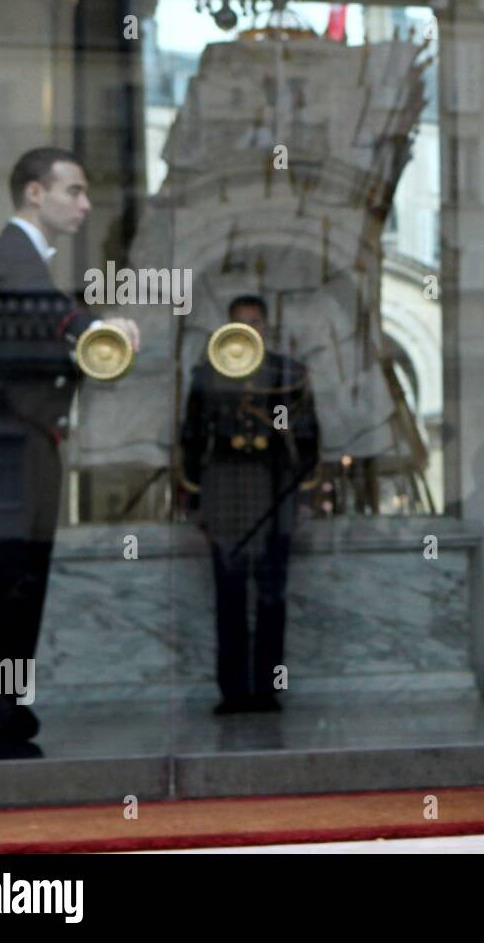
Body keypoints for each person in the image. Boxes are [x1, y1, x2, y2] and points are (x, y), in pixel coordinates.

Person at [0, 147, 141, 761]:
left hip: (15, 444)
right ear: (34, 192)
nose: (83, 204)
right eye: (73, 191)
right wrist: (94, 328)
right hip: (12, 449)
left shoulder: (20, 261)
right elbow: (44, 313)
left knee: (9, 585)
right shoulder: (13, 257)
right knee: (7, 585)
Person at [180, 295, 319, 715]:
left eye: (255, 322)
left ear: (267, 327)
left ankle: (267, 689)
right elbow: (191, 437)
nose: (250, 330)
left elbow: (309, 434)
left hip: (273, 483)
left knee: (271, 594)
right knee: (230, 591)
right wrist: (195, 499)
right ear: (227, 326)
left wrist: (306, 494)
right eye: (241, 322)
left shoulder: (287, 373)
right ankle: (233, 691)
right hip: (224, 483)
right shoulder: (206, 374)